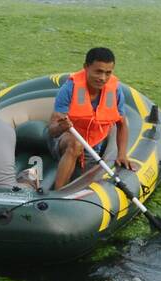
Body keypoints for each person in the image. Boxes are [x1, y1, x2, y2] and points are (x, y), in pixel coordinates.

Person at [48, 47, 136, 190]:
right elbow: (52, 131)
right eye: (98, 71)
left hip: (93, 146)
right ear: (86, 67)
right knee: (76, 144)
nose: (103, 78)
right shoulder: (69, 88)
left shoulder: (115, 90)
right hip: (65, 140)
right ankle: (59, 192)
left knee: (83, 180)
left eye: (108, 73)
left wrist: (122, 154)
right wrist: (61, 127)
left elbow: (122, 124)